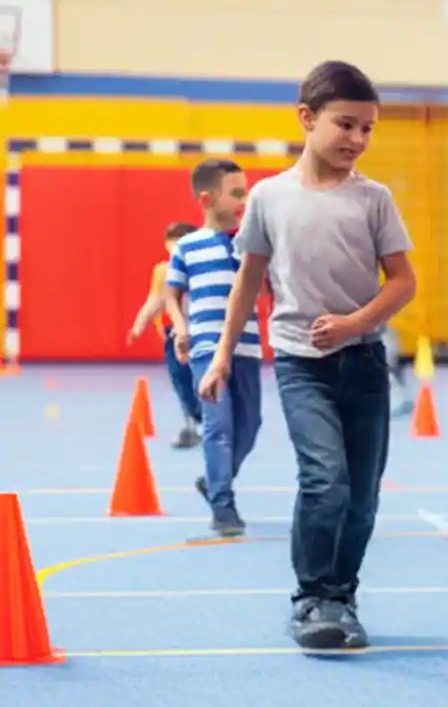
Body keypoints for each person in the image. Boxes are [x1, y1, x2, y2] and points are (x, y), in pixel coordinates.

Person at [198, 60, 416, 650]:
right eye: (345, 125)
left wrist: (355, 323)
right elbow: (249, 281)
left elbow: (402, 281)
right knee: (326, 480)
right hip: (301, 365)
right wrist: (221, 355)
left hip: (364, 363)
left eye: (368, 129)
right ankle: (311, 597)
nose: (357, 140)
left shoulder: (374, 199)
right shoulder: (269, 197)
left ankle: (342, 598)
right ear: (306, 118)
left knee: (363, 496)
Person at [165, 161, 261, 537]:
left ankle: (213, 479)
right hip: (205, 347)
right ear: (206, 198)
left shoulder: (250, 243)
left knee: (249, 425)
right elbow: (172, 292)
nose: (244, 199)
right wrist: (180, 326)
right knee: (218, 427)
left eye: (246, 191)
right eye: (236, 193)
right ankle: (223, 504)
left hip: (247, 347)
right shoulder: (188, 246)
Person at [126, 221, 201, 449]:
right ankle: (197, 422)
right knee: (188, 379)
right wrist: (139, 324)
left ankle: (199, 421)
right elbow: (156, 301)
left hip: (188, 332)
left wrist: (139, 325)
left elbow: (156, 301)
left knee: (187, 379)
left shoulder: (184, 268)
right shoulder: (167, 270)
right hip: (185, 331)